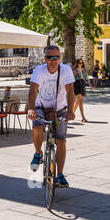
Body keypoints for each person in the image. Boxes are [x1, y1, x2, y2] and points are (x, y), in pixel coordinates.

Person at [28, 44, 76, 188]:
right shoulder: (39, 71)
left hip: (60, 108)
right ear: (45, 59)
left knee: (61, 141)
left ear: (60, 58)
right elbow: (32, 90)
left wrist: (70, 111)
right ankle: (38, 153)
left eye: (56, 57)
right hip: (41, 106)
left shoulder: (66, 70)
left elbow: (70, 91)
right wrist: (31, 109)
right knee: (37, 126)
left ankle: (60, 175)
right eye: (50, 58)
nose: (53, 61)